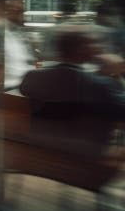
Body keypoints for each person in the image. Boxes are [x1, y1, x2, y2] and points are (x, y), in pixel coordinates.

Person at [19, 28, 125, 158]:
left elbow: (68, 85)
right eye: (95, 42)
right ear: (82, 49)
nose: (100, 47)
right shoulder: (101, 85)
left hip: (40, 151)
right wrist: (116, 74)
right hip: (86, 158)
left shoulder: (32, 76)